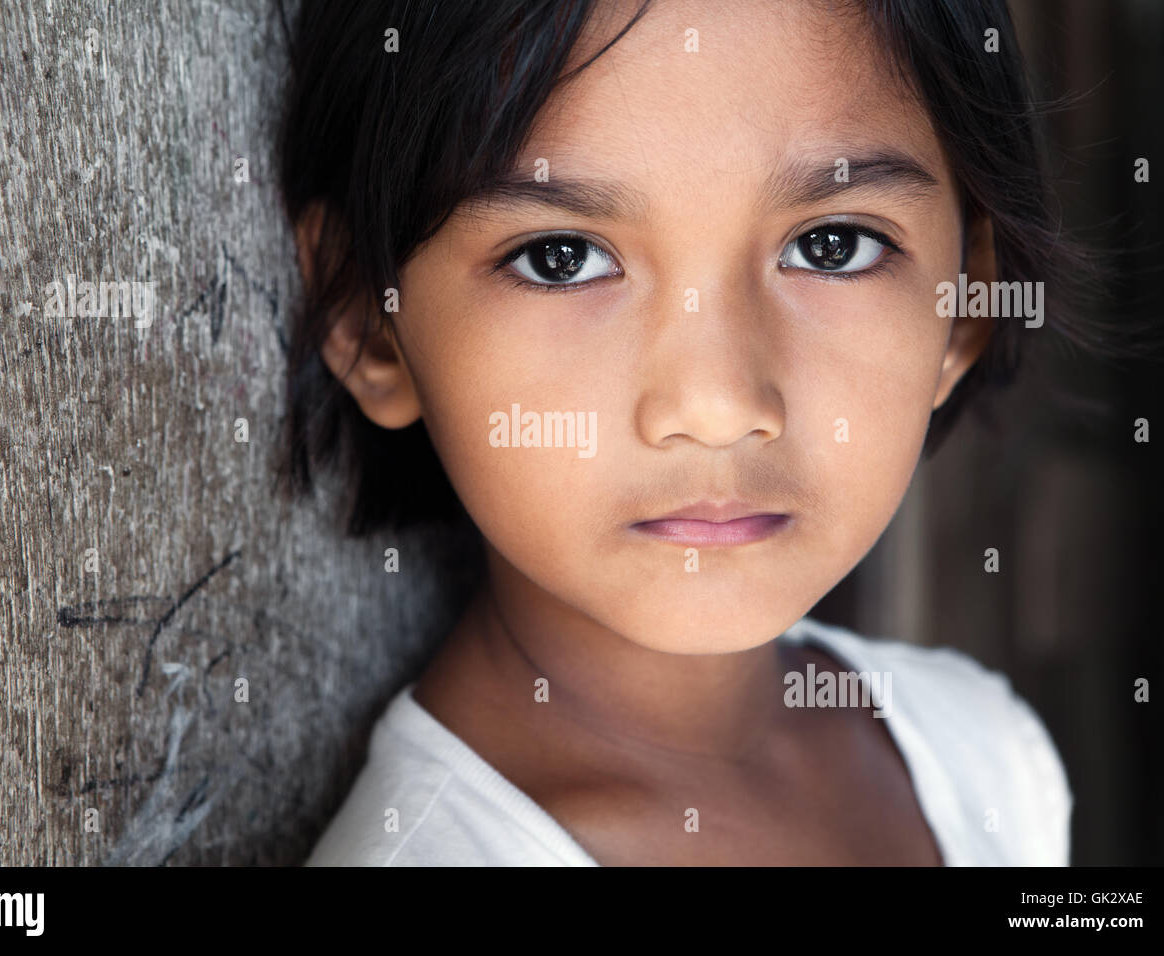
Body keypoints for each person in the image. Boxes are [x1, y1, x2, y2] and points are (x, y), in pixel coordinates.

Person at [276, 0, 1088, 865]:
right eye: (562, 257)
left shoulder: (988, 758)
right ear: (370, 319)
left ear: (964, 307)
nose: (717, 403)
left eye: (833, 245)